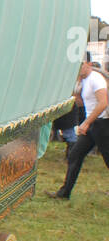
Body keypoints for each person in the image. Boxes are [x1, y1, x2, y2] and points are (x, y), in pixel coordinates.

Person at [47, 57, 109, 199]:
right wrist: (76, 94)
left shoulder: (96, 79)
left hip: (102, 124)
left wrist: (86, 123)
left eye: (81, 65)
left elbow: (103, 103)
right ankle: (64, 194)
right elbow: (83, 103)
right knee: (75, 155)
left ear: (89, 64)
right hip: (93, 125)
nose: (78, 68)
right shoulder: (85, 81)